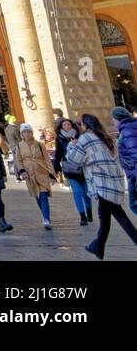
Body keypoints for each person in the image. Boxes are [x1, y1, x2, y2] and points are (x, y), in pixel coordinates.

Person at [67, 113, 137, 260]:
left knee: (121, 216)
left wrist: (73, 146)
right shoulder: (104, 137)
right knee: (104, 217)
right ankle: (97, 246)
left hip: (101, 183)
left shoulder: (85, 138)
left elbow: (74, 160)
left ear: (85, 125)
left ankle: (99, 245)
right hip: (112, 181)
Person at [14, 121, 54, 229]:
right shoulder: (19, 146)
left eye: (28, 132)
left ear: (32, 133)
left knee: (44, 196)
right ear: (22, 134)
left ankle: (46, 218)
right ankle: (44, 215)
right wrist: (22, 171)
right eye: (24, 132)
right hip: (29, 174)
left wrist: (51, 174)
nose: (27, 134)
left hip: (42, 172)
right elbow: (18, 160)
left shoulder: (40, 145)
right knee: (37, 196)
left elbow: (47, 160)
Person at [52, 117, 92, 226]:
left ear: (72, 125)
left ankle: (89, 212)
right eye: (64, 125)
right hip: (69, 167)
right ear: (61, 127)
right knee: (77, 192)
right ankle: (82, 216)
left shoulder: (80, 136)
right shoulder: (59, 138)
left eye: (68, 124)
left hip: (82, 167)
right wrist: (55, 170)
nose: (67, 126)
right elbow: (58, 154)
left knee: (86, 191)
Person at [114, 106, 137, 215]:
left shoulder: (127, 130)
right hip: (131, 170)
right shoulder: (131, 126)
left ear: (117, 118)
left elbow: (134, 151)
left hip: (133, 171)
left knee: (134, 204)